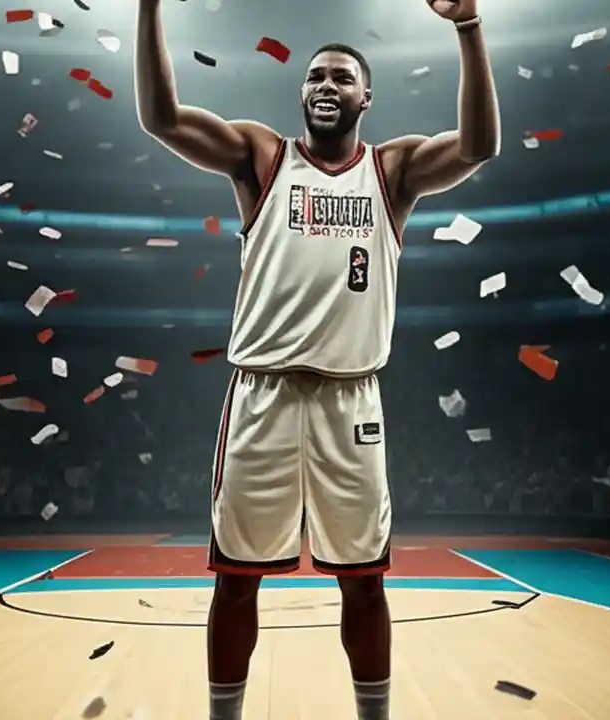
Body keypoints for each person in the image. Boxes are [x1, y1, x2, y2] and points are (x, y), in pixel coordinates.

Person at [134, 1, 500, 718]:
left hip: (350, 399)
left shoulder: (393, 172)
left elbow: (481, 145)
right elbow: (162, 118)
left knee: (364, 581)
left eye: (341, 77)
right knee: (236, 580)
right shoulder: (262, 157)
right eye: (314, 78)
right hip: (261, 396)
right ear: (302, 94)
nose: (325, 86)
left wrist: (467, 26)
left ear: (368, 97)